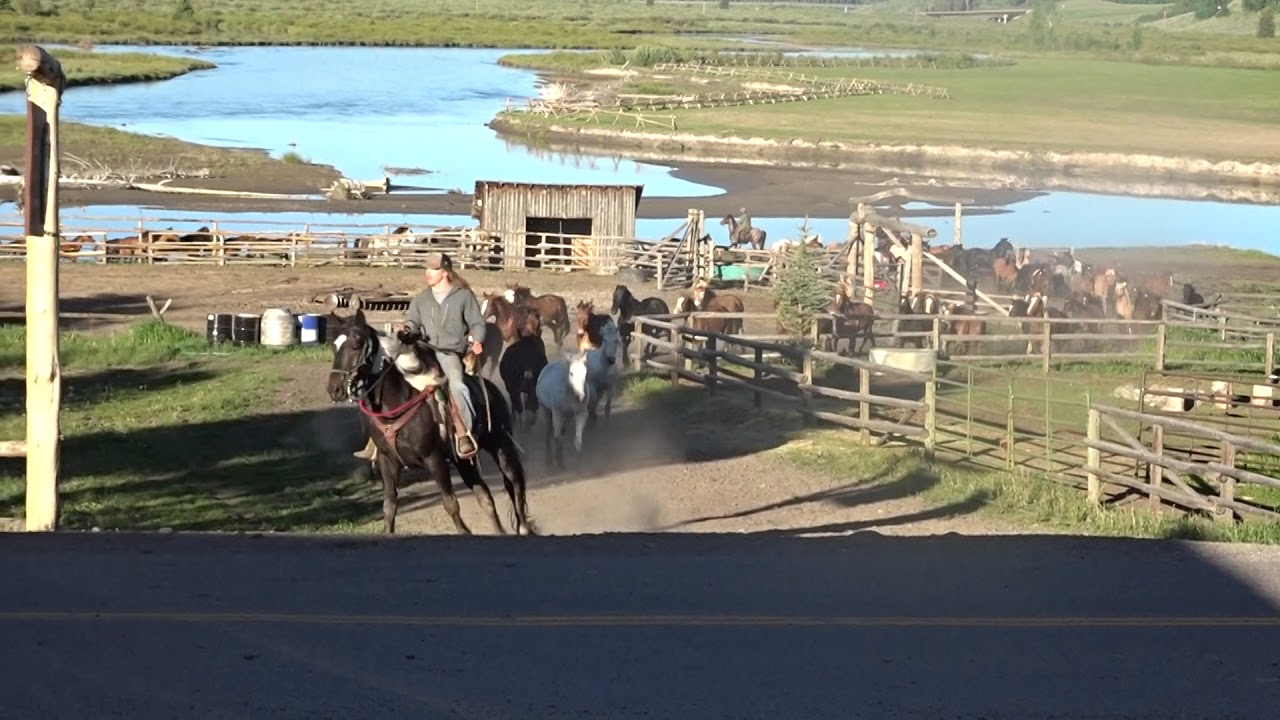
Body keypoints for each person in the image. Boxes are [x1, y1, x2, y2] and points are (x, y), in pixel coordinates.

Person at [355, 251, 486, 461]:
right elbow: (412, 323)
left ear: (445, 272)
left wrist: (478, 340)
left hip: (449, 352)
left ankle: (464, 433)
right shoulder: (421, 299)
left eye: (433, 269)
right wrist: (405, 329)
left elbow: (477, 323)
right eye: (427, 269)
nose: (428, 273)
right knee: (385, 379)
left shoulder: (463, 297)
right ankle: (377, 440)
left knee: (457, 384)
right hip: (421, 349)